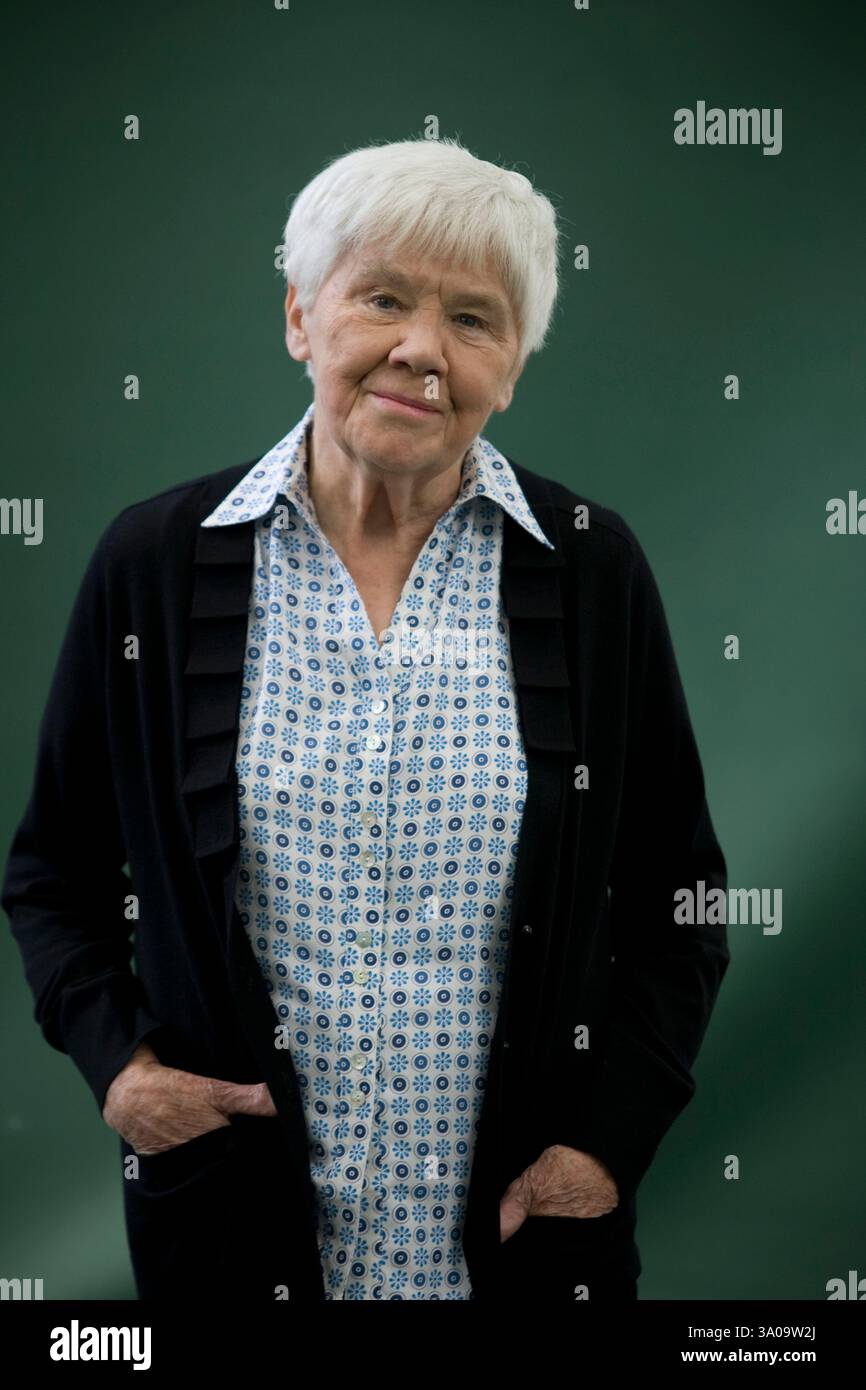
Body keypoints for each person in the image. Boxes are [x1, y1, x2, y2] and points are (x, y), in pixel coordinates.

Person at [1, 136, 729, 1301]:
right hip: (228, 1245)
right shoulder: (155, 564)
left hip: (520, 1260)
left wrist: (599, 1152)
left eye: (474, 320)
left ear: (512, 365)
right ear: (301, 316)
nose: (421, 350)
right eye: (381, 297)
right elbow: (53, 875)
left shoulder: (591, 571)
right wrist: (124, 1072)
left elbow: (679, 906)